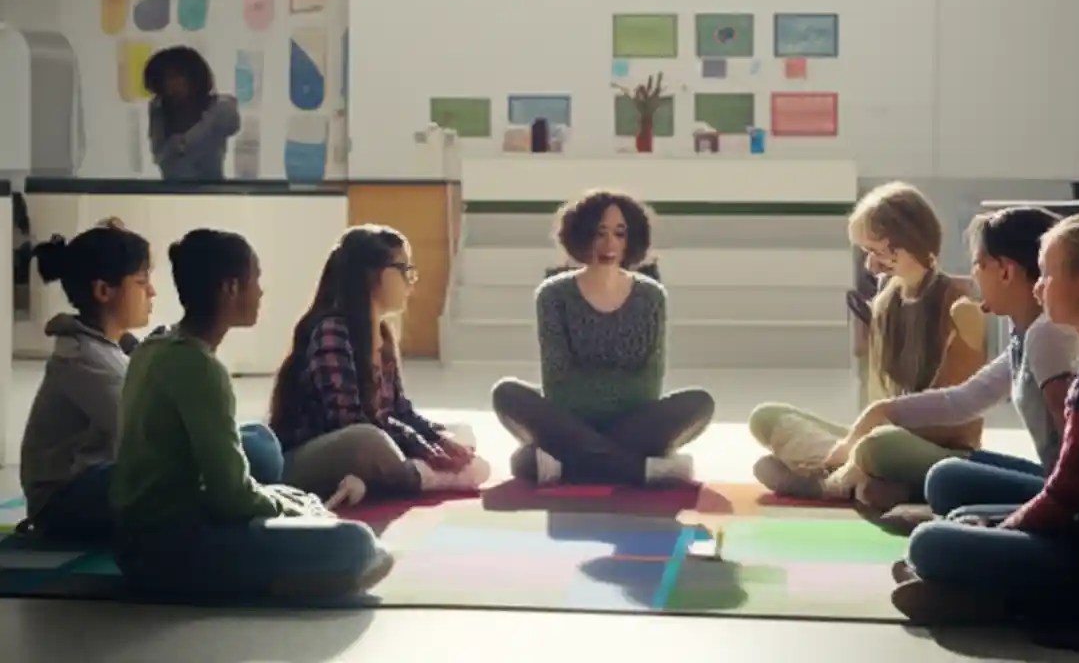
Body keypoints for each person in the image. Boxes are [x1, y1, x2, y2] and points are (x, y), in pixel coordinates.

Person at [893, 213, 1079, 626]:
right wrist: (994, 526)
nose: (1038, 286)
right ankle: (968, 589)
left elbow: (1065, 496)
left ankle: (988, 597)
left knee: (930, 542)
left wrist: (1002, 529)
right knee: (962, 519)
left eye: (1047, 275)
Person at [110, 229, 390, 599]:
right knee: (354, 542)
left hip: (134, 540)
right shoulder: (200, 368)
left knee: (261, 444)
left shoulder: (155, 346)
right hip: (168, 551)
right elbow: (231, 497)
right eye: (255, 280)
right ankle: (283, 579)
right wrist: (293, 508)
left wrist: (285, 498)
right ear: (230, 288)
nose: (260, 292)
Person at [16, 221, 283, 543]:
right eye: (141, 282)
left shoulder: (124, 348)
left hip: (109, 476)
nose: (152, 291)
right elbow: (143, 441)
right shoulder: (83, 360)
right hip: (67, 500)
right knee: (248, 455)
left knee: (257, 441)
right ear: (104, 291)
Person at [749, 181, 986, 509]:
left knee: (877, 447)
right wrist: (856, 438)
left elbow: (954, 416)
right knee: (766, 418)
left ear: (907, 242)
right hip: (880, 434)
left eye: (876, 251)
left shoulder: (958, 304)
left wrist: (864, 436)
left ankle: (833, 482)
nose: (871, 265)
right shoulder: (887, 300)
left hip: (933, 447)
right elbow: (879, 395)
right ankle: (859, 481)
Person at [491, 190, 715, 486]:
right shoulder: (553, 295)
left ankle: (566, 465)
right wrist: (611, 389)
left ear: (631, 239)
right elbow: (558, 385)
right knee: (507, 393)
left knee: (699, 403)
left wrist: (593, 392)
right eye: (600, 233)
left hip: (632, 424)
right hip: (569, 420)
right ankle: (641, 470)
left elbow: (649, 385)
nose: (610, 244)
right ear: (581, 235)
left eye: (620, 234)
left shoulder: (650, 296)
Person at [270, 225, 490, 505]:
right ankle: (421, 476)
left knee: (460, 433)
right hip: (316, 454)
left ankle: (381, 479)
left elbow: (400, 409)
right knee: (368, 441)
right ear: (376, 274)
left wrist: (438, 438)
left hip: (374, 444)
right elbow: (347, 422)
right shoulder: (332, 331)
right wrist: (419, 445)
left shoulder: (382, 335)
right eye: (405, 269)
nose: (412, 281)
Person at [143, 46, 240, 180]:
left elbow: (232, 123)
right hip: (172, 193)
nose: (172, 85)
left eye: (177, 76)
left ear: (194, 77)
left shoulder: (221, 108)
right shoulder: (159, 109)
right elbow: (161, 156)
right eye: (166, 79)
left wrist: (181, 143)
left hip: (213, 192)